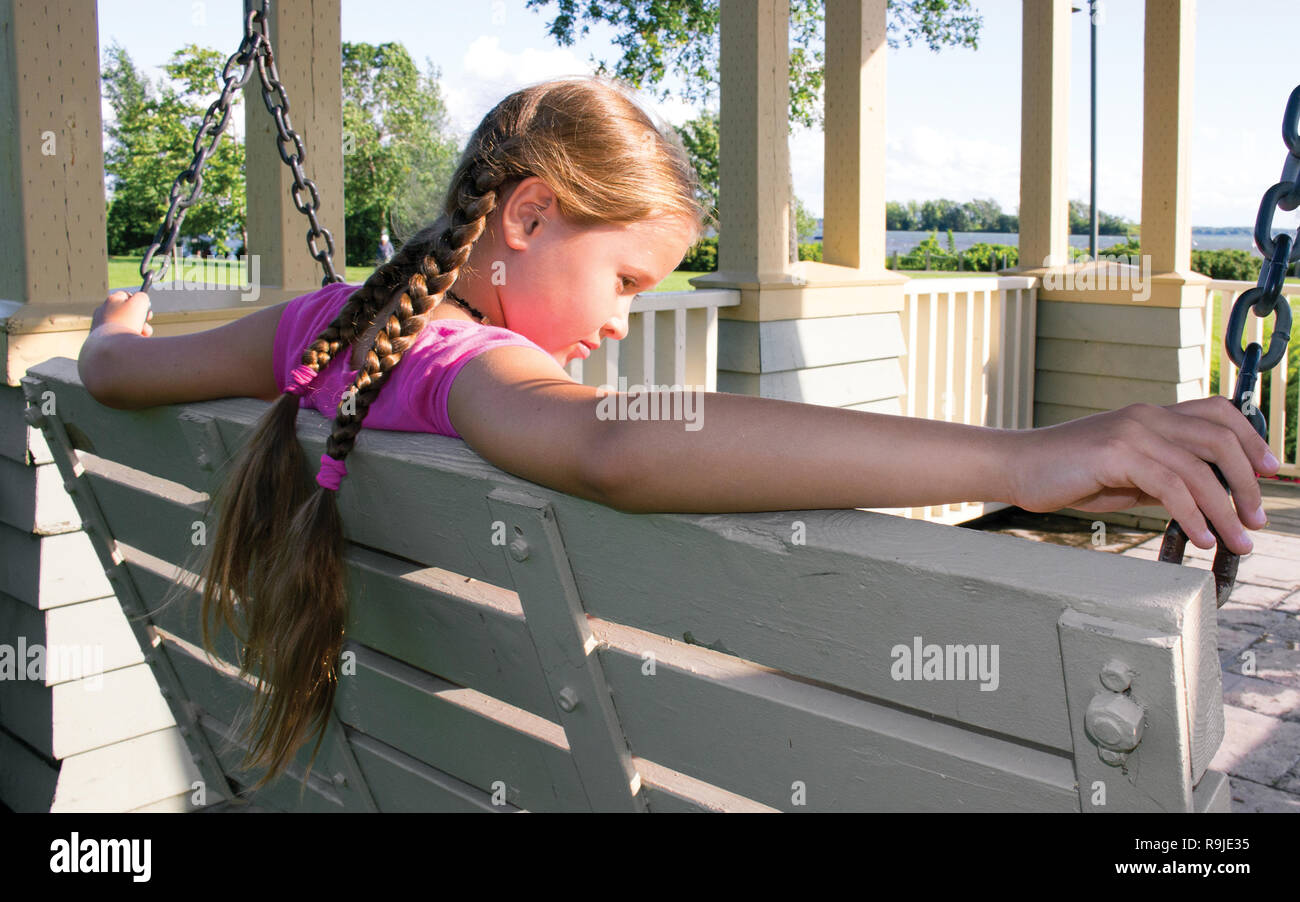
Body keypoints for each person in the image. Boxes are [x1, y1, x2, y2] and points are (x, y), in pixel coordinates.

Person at [77, 75, 1279, 792]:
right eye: (630, 281)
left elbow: (119, 374)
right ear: (530, 216)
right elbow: (613, 441)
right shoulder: (473, 368)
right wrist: (1024, 456)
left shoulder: (320, 329)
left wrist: (111, 329)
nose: (621, 322)